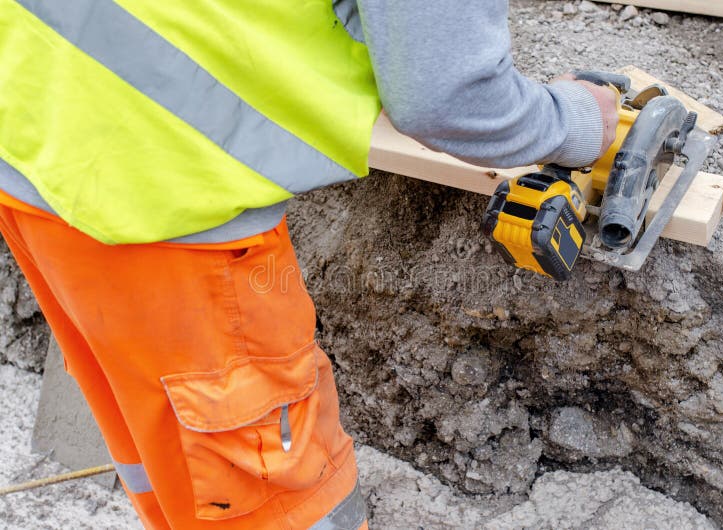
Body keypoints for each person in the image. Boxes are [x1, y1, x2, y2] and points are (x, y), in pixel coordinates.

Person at [0, 1, 618, 528]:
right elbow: (450, 98)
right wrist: (577, 121)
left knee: (170, 463)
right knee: (272, 503)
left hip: (38, 145)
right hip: (175, 206)